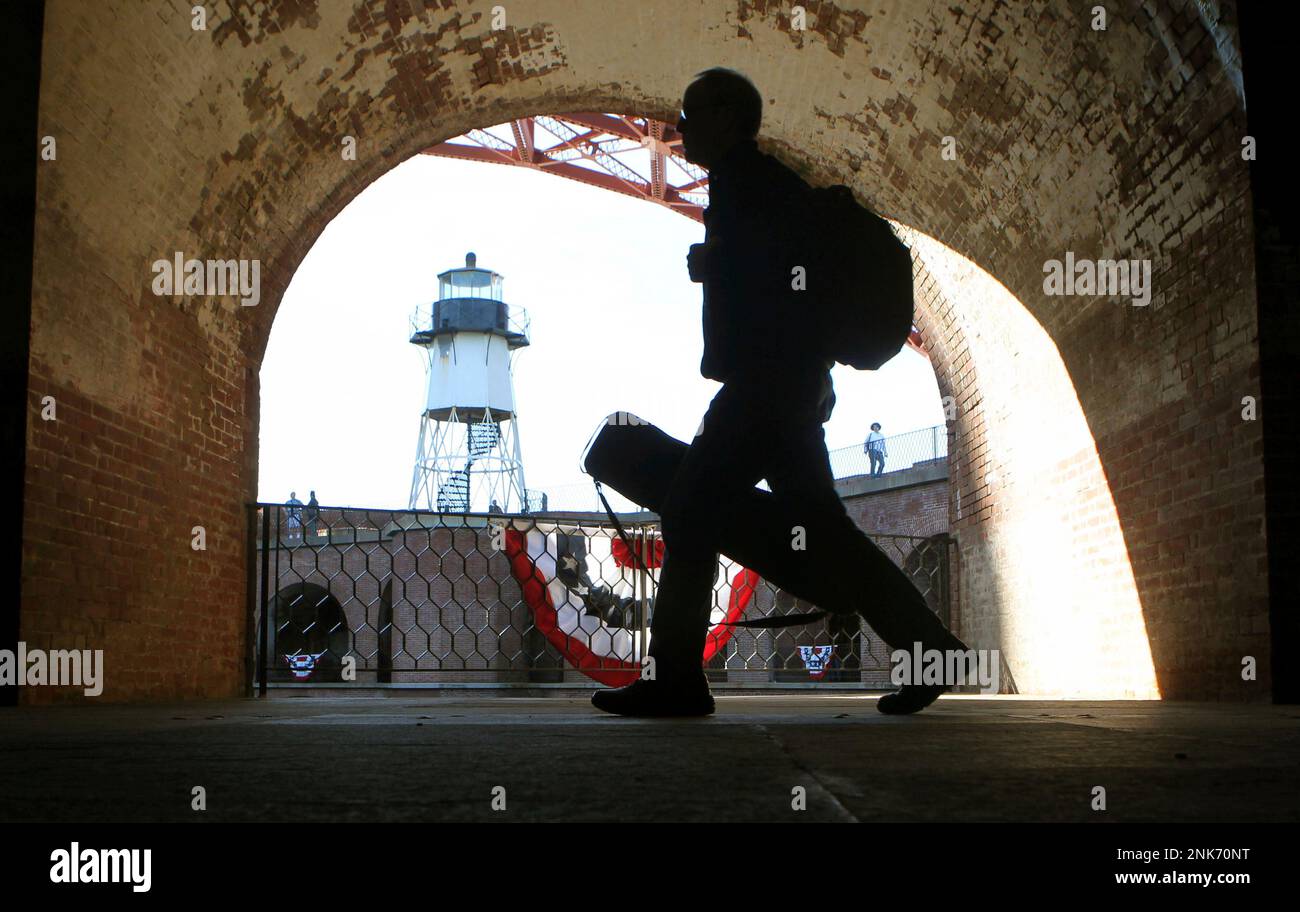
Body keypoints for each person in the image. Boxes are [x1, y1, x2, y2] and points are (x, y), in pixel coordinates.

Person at [591, 67, 970, 718]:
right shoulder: (755, 185)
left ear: (730, 118)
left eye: (692, 114)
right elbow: (788, 274)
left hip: (767, 386)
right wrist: (725, 266)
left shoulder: (750, 181)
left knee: (688, 509)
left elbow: (783, 278)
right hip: (788, 386)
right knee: (827, 531)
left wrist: (718, 265)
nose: (679, 127)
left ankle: (677, 680)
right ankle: (930, 648)